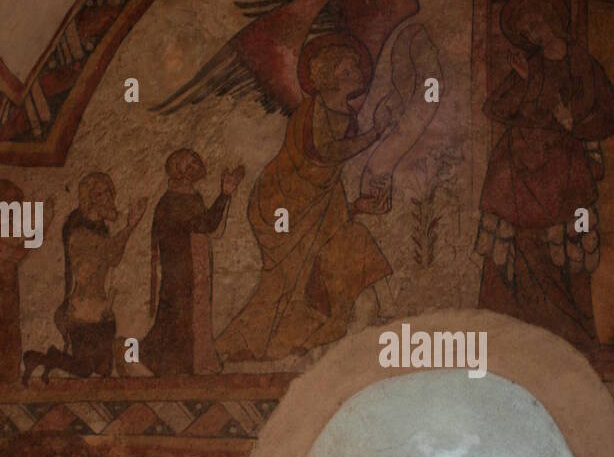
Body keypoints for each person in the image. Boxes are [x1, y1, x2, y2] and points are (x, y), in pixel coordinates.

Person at [216, 34, 396, 363]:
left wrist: (358, 207)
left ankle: (305, 344)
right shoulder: (313, 111)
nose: (357, 72)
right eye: (347, 69)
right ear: (328, 78)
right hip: (281, 201)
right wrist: (375, 133)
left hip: (310, 204)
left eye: (356, 67)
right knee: (286, 281)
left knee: (317, 275)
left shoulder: (343, 115)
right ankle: (247, 345)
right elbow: (321, 154)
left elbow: (326, 189)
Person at [475, 0, 614, 353]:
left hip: (562, 169)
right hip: (518, 171)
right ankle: (510, 341)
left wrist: (575, 123)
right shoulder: (531, 64)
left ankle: (568, 338)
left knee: (564, 250)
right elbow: (494, 108)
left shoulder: (584, 64)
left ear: (553, 19)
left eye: (537, 23)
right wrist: (525, 80)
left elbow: (612, 116)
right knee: (517, 247)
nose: (535, 34)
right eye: (527, 30)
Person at [22, 173, 147, 383]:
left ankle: (45, 358)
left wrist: (128, 228)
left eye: (109, 193)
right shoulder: (79, 232)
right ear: (88, 201)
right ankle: (45, 357)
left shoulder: (101, 230)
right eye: (100, 194)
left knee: (104, 370)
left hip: (104, 313)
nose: (108, 199)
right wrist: (129, 226)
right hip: (83, 314)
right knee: (84, 370)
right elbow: (106, 254)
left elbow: (113, 258)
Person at [140, 150, 244, 376]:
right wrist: (224, 194)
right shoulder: (172, 201)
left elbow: (211, 230)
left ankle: (193, 363)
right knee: (179, 317)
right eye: (188, 164)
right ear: (178, 171)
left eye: (196, 162)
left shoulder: (192, 197)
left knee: (190, 316)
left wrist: (226, 195)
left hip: (196, 267)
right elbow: (205, 224)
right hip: (182, 270)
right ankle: (175, 363)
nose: (194, 167)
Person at [0, 179, 53, 382]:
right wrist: (44, 225)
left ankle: (8, 380)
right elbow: (17, 254)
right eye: (11, 207)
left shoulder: (7, 234)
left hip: (8, 302)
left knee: (10, 337)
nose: (14, 215)